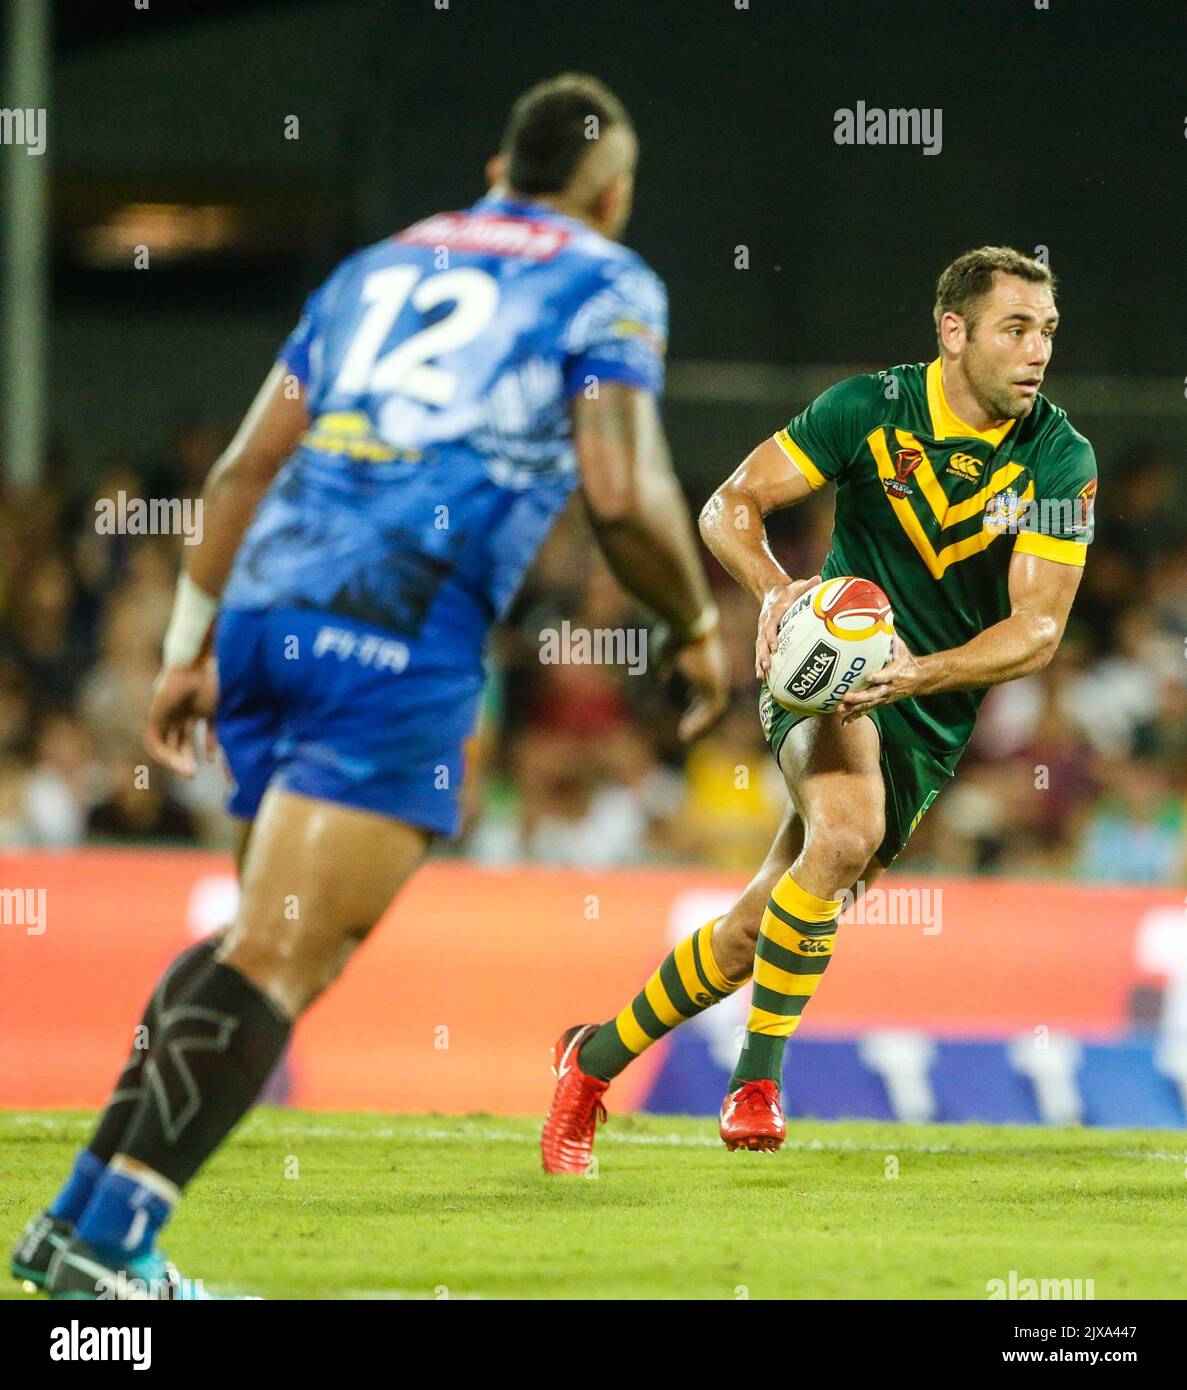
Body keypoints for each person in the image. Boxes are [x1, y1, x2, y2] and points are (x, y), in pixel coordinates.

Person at [13, 72, 727, 1299]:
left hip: (261, 615)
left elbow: (239, 469)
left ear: (501, 170)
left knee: (255, 939)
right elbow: (619, 491)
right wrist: (696, 625)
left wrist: (189, 641)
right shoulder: (605, 279)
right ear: (609, 196)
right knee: (282, 956)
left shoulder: (374, 270)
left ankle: (73, 1225)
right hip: (392, 631)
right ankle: (106, 1251)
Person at [541, 246, 1095, 1172]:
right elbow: (730, 507)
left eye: (1045, 331)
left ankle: (588, 1063)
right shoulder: (867, 410)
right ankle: (756, 1083)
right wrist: (772, 595)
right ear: (952, 333)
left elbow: (1036, 630)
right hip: (824, 670)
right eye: (1014, 328)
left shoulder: (1058, 457)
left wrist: (919, 676)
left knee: (757, 931)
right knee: (843, 831)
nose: (1036, 350)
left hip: (926, 705)